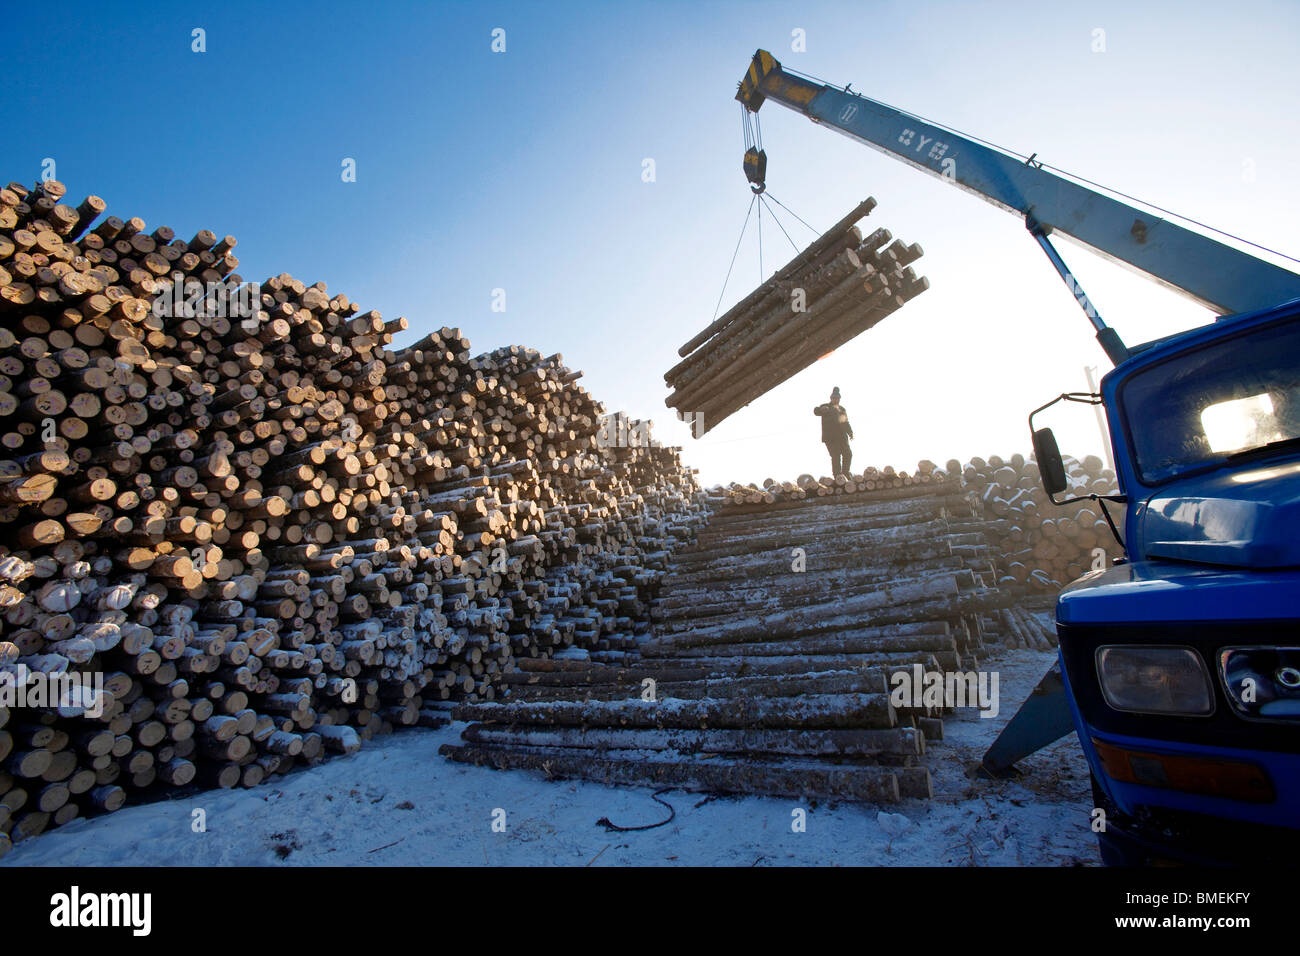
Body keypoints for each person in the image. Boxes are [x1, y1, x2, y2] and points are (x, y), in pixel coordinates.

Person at [814, 386, 854, 476]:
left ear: (839, 399)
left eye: (837, 398)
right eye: (834, 398)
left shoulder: (841, 409)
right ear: (831, 398)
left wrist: (850, 432)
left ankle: (845, 473)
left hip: (842, 436)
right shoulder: (826, 407)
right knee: (835, 456)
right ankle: (837, 476)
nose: (836, 400)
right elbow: (816, 411)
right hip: (830, 438)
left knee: (848, 454)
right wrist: (821, 409)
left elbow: (845, 422)